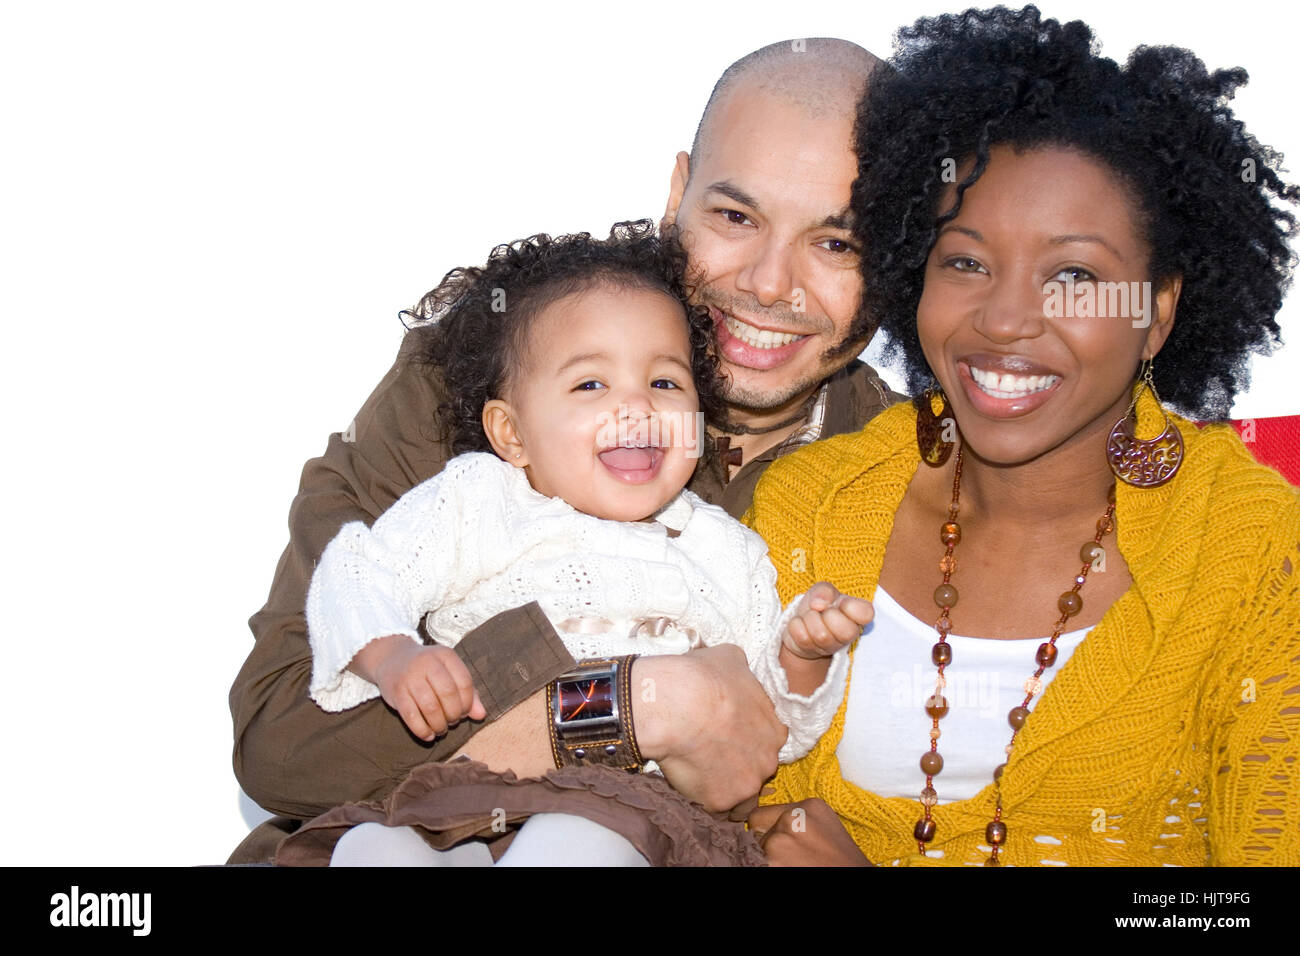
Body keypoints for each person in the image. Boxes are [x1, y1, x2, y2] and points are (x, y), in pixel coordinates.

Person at [228, 37, 900, 861]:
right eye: (735, 217)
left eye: (837, 244)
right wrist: (633, 701)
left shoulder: (912, 471)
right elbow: (287, 752)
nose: (768, 282)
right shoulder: (485, 369)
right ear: (678, 192)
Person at [747, 5, 1300, 866]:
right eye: (965, 261)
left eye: (1073, 277)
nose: (1004, 321)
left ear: (1155, 313)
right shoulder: (809, 505)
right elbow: (706, 803)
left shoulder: (1258, 555)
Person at [273, 223, 871, 865]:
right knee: (373, 845)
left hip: (632, 817)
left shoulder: (726, 551)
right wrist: (391, 656)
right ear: (511, 434)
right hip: (472, 793)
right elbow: (362, 571)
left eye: (665, 383)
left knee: (576, 842)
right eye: (591, 385)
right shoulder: (481, 500)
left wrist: (801, 657)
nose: (636, 405)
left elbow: (764, 732)